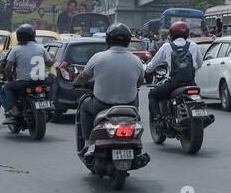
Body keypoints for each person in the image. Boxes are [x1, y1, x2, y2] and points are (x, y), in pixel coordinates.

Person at [72, 23, 144, 154]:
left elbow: (83, 77)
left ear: (108, 39)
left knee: (83, 106)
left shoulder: (99, 57)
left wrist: (75, 83)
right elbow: (139, 82)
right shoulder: (136, 60)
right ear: (128, 41)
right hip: (129, 106)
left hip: (101, 104)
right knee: (136, 100)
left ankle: (88, 142)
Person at [145, 22, 203, 123]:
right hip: (190, 83)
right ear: (187, 33)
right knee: (199, 99)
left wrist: (147, 69)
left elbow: (152, 65)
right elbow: (200, 63)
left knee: (152, 95)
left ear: (171, 34)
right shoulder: (193, 46)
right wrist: (192, 69)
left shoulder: (167, 46)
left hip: (173, 84)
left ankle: (159, 119)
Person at [2, 23, 51, 118]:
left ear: (19, 36)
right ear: (33, 35)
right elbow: (49, 63)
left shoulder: (16, 49)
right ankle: (50, 101)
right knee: (53, 81)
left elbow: (7, 68)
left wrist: (10, 79)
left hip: (24, 82)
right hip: (41, 81)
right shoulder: (41, 48)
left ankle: (14, 109)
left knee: (7, 87)